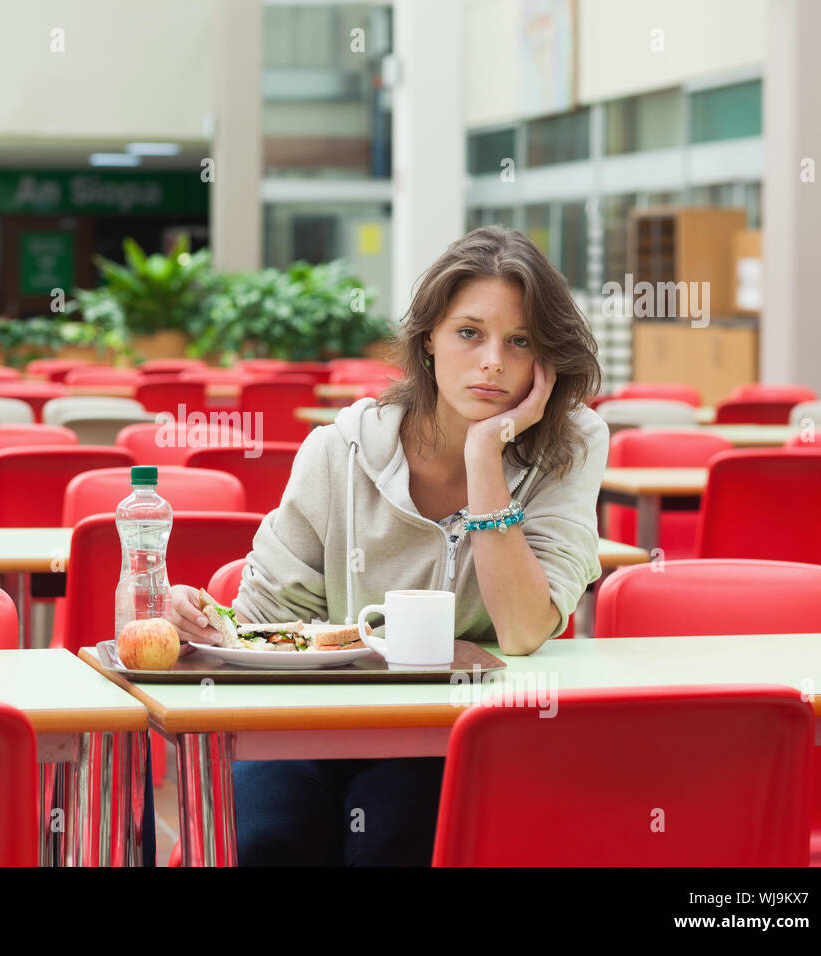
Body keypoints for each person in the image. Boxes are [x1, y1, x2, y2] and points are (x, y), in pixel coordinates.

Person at [167, 225, 609, 865]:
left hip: (457, 734)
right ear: (428, 339)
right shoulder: (337, 450)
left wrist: (486, 455)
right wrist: (206, 620)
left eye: (520, 342)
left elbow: (520, 629)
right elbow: (261, 621)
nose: (492, 360)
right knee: (267, 838)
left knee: (391, 841)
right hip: (314, 729)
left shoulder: (571, 447)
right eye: (469, 332)